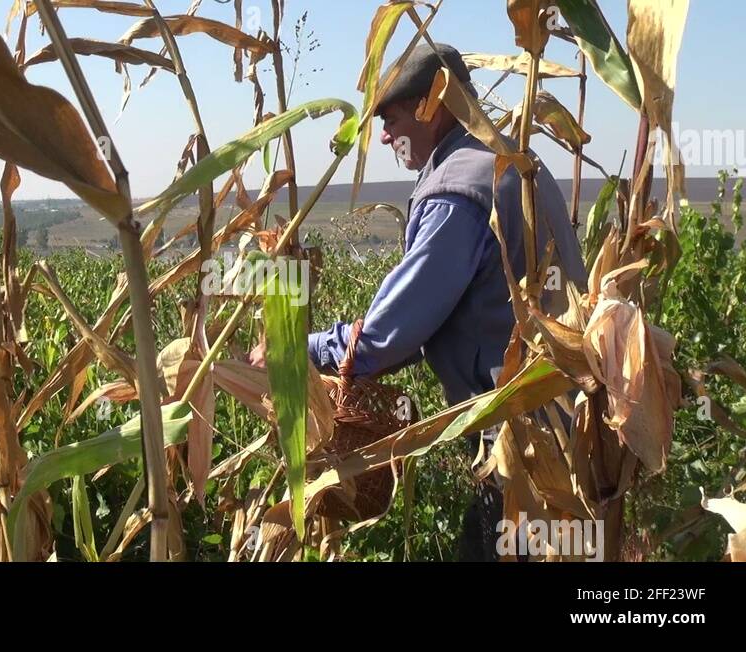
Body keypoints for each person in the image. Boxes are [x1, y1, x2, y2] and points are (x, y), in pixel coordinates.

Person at [250, 43, 588, 561]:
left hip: (523, 448)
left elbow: (385, 339)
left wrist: (291, 350)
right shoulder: (519, 164)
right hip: (568, 435)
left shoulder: (458, 190)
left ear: (433, 104)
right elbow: (424, 324)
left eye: (391, 116)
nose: (384, 134)